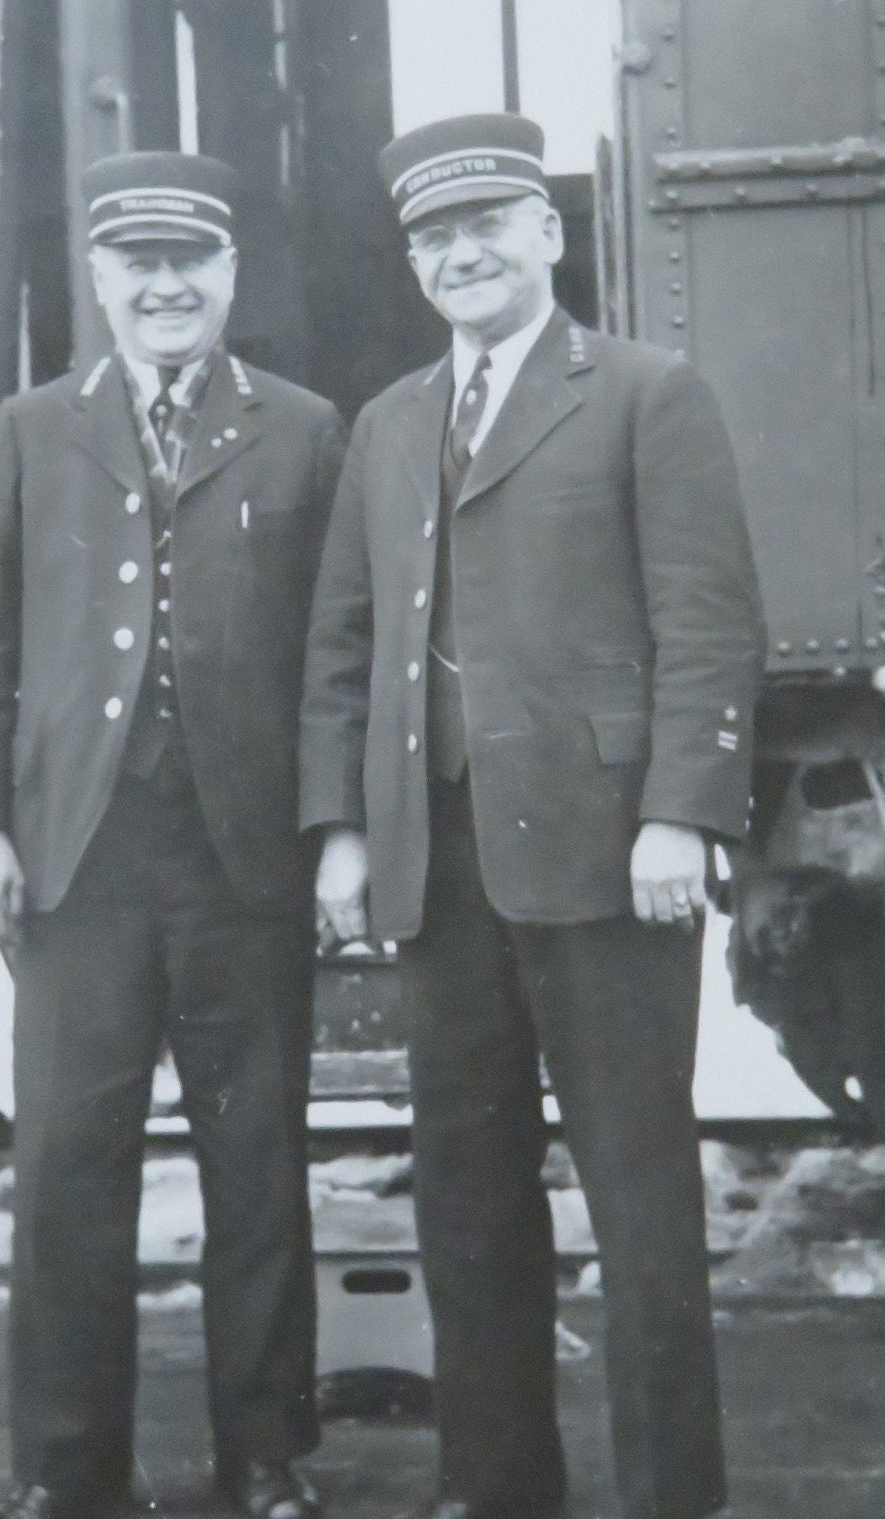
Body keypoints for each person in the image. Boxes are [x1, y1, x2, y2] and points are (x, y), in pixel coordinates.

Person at [299, 113, 765, 1519]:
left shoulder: (644, 391)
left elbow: (708, 624)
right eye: (433, 238)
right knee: (467, 1202)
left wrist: (680, 813)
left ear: (547, 234)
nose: (461, 254)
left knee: (641, 1208)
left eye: (487, 224)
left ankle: (672, 1497)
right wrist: (341, 830)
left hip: (612, 861)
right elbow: (343, 641)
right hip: (440, 873)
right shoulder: (386, 423)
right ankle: (497, 1489)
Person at [0, 150, 345, 1519]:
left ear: (227, 276)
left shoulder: (302, 427)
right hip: (80, 862)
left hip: (245, 860)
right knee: (63, 1167)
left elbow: (336, 655)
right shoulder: (34, 428)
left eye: (191, 263)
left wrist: (331, 829)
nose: (166, 287)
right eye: (139, 265)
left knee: (260, 1160)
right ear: (101, 281)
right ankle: (67, 1469)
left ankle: (267, 1459)